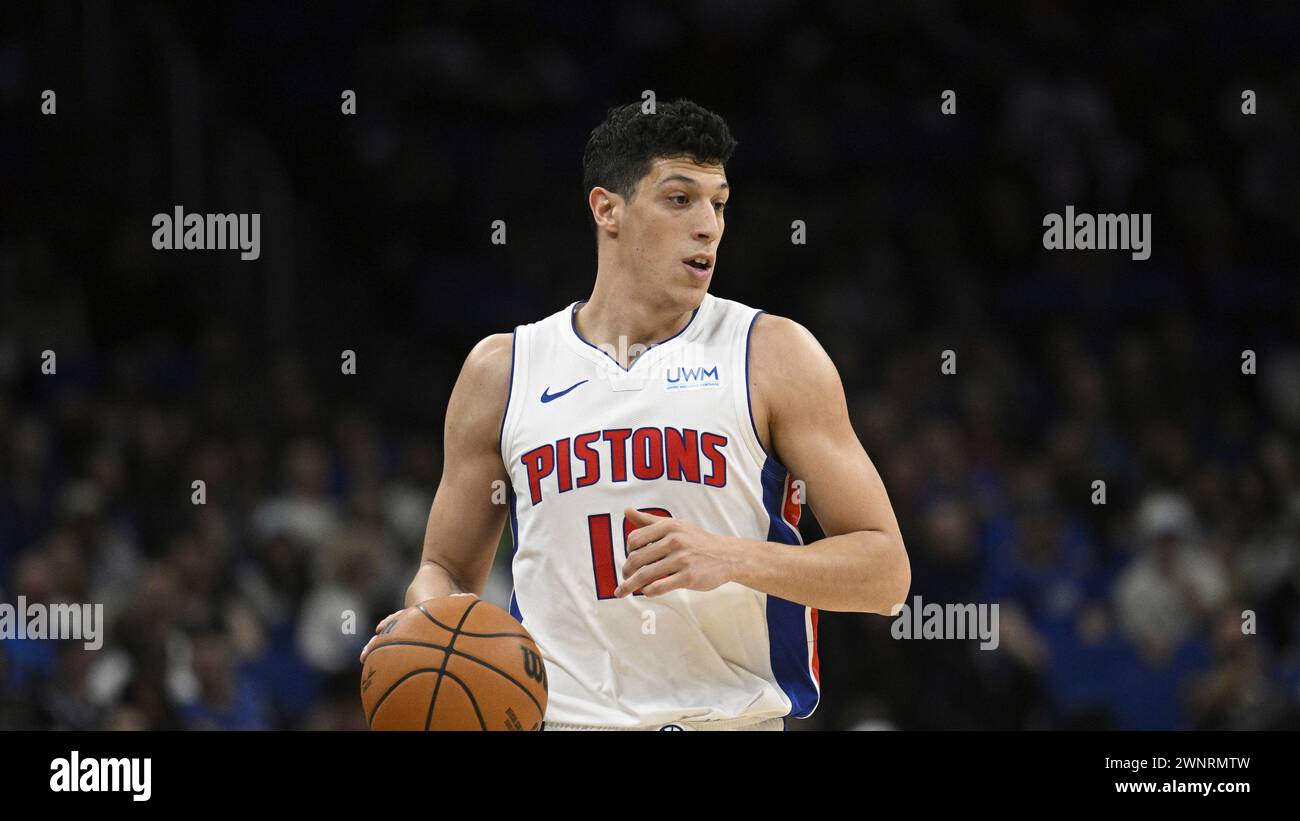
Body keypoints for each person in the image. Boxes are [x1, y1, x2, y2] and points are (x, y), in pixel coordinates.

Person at [361, 98, 910, 730]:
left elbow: (885, 573)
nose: (708, 225)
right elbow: (446, 569)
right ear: (607, 209)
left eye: (719, 202)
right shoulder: (502, 371)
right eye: (680, 199)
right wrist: (426, 627)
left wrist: (733, 559)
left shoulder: (773, 355)